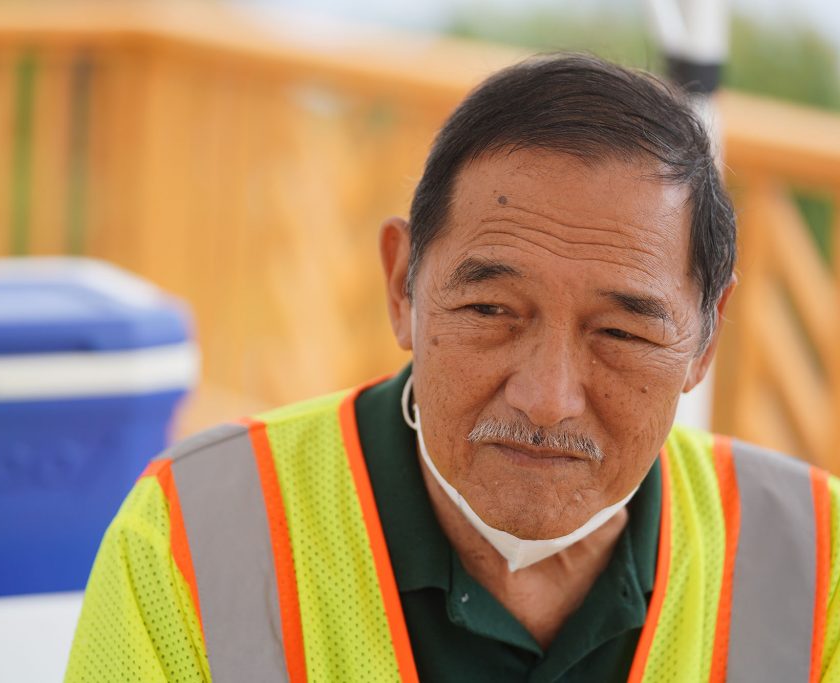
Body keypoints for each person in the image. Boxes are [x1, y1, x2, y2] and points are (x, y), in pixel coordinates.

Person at [64, 54, 840, 682]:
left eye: (620, 333)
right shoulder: (197, 533)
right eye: (491, 311)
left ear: (705, 342)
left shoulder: (817, 557)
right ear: (404, 285)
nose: (546, 398)